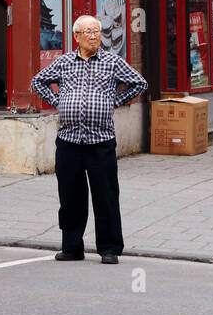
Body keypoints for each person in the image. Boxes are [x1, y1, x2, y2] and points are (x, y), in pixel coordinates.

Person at [31, 15, 148, 265]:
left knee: (105, 195)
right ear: (76, 37)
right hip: (69, 141)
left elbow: (139, 83)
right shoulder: (63, 63)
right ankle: (72, 247)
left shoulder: (112, 61)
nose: (94, 36)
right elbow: (38, 81)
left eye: (97, 31)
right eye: (88, 32)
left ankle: (109, 248)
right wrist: (57, 102)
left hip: (101, 141)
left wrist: (112, 102)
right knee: (70, 197)